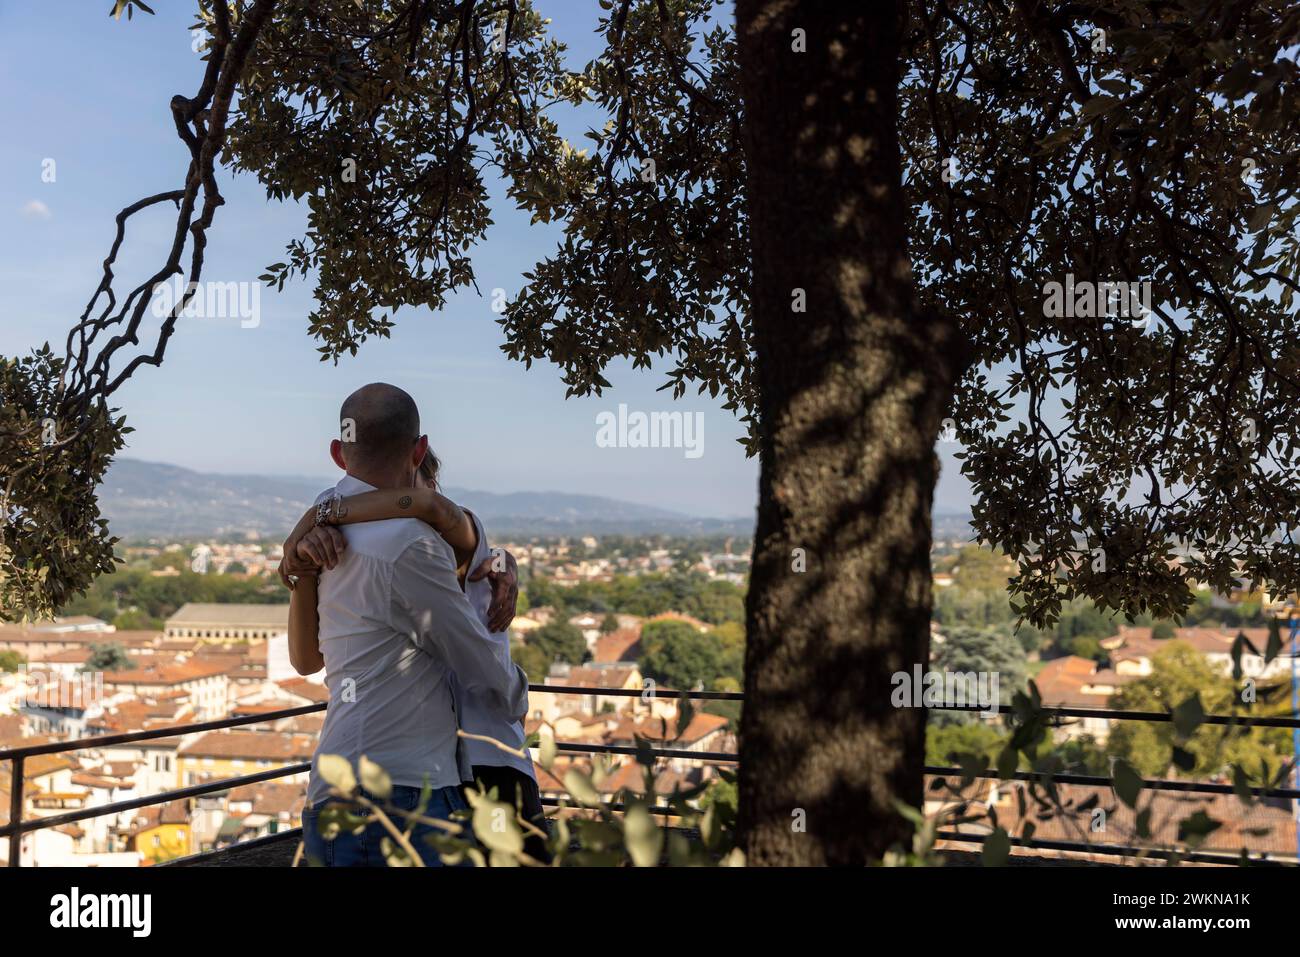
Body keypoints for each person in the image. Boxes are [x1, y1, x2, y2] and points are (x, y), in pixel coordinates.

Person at [279, 382, 531, 866]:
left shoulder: (323, 533)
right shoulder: (411, 544)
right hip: (400, 791)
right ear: (418, 450)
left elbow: (306, 660)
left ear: (338, 453)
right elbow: (478, 663)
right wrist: (518, 694)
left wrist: (308, 531)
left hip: (333, 782)